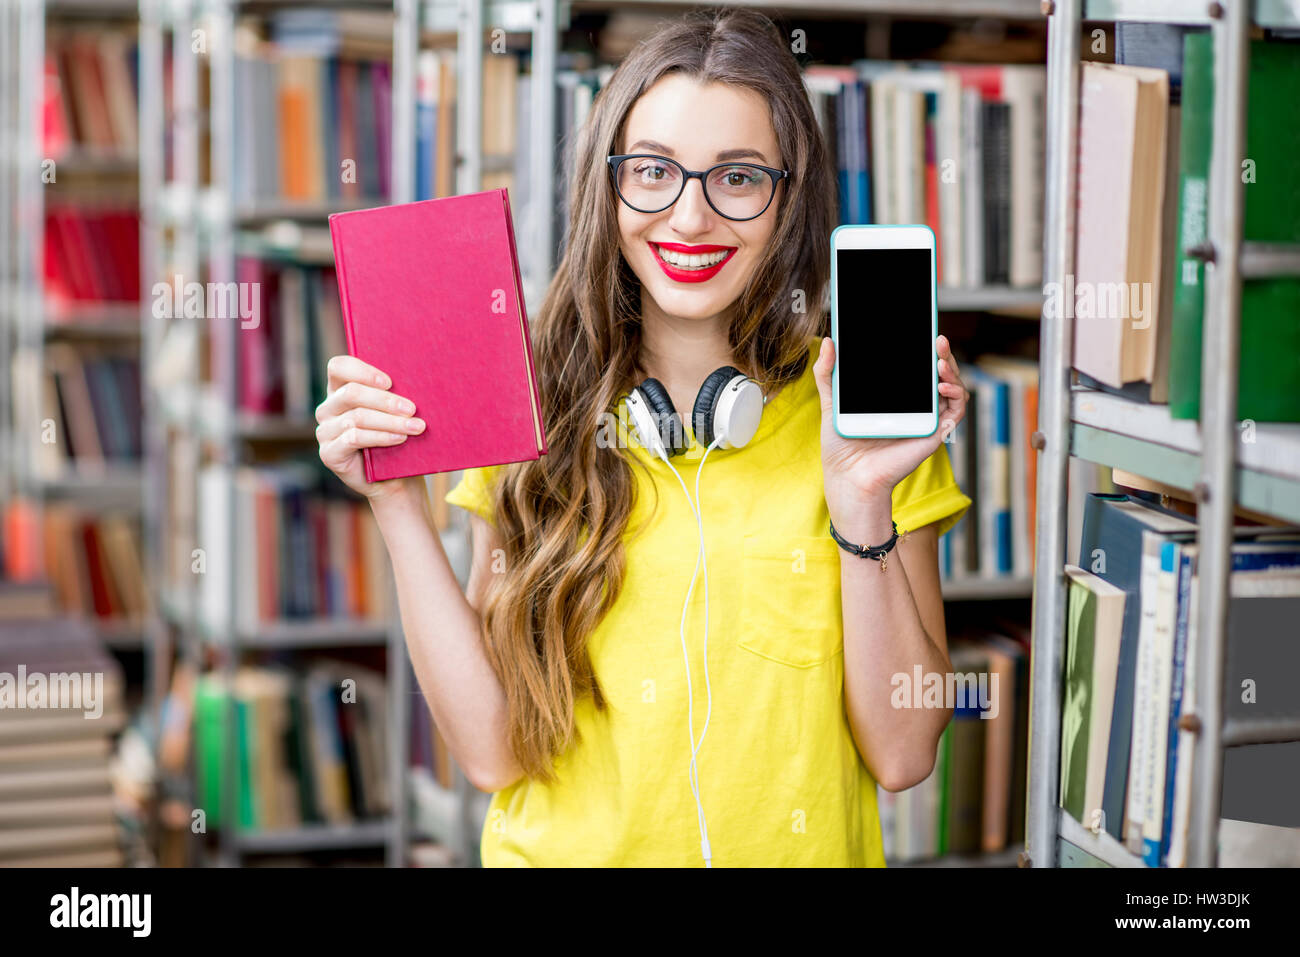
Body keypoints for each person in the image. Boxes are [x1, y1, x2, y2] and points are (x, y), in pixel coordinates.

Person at [315, 8, 971, 866]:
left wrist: (859, 503)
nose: (690, 218)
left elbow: (905, 752)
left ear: (787, 197)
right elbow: (492, 750)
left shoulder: (861, 416)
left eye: (737, 178)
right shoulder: (528, 397)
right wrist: (396, 502)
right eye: (655, 171)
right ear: (610, 184)